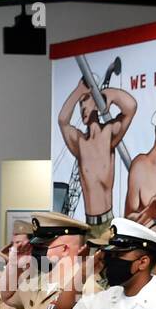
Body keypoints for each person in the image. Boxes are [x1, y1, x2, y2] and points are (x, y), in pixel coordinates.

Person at [57, 78, 137, 230]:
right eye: (80, 103)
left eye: (85, 101)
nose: (82, 107)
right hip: (88, 226)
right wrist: (79, 91)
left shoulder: (109, 134)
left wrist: (108, 95)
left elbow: (131, 106)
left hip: (108, 224)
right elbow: (62, 121)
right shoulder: (80, 142)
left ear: (95, 99)